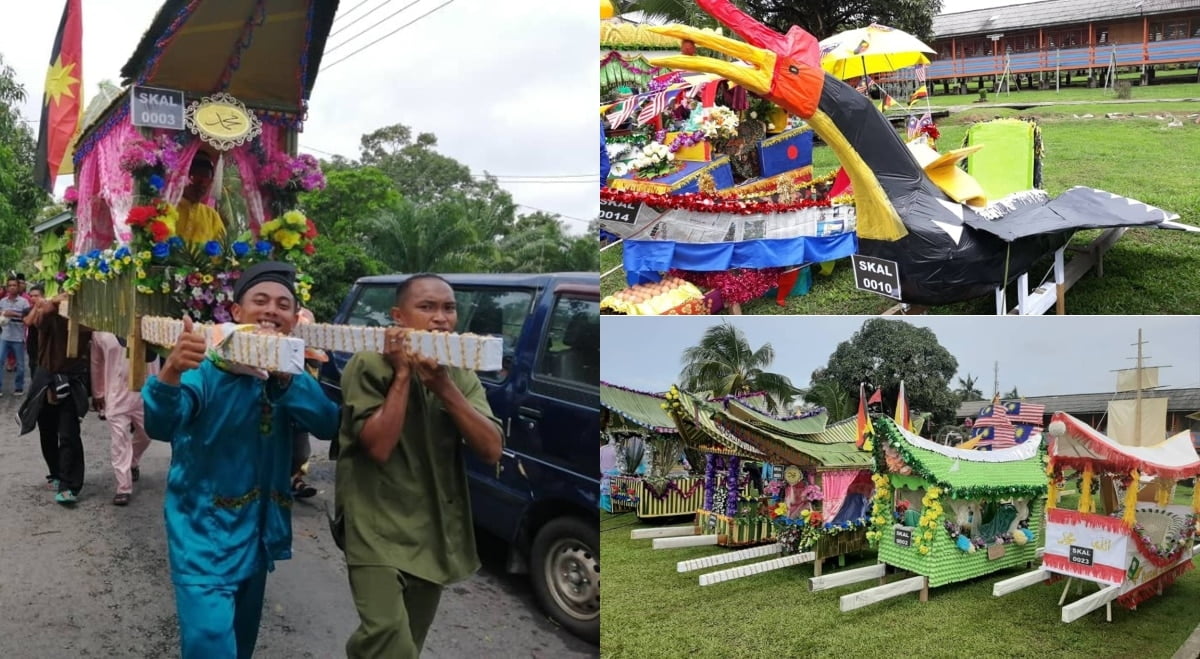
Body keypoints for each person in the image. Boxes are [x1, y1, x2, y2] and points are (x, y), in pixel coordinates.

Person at [141, 261, 338, 658]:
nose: (271, 311)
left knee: (241, 644)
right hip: (201, 533)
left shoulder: (290, 373)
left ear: (293, 320)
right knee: (212, 646)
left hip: (258, 535)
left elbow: (328, 423)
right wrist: (171, 373)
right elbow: (163, 426)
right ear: (235, 312)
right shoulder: (208, 367)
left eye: (284, 305)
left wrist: (286, 379)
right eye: (260, 301)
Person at [336, 273, 503, 658]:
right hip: (373, 524)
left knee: (407, 641)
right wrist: (403, 375)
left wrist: (444, 387)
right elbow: (378, 447)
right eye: (426, 307)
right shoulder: (368, 364)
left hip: (433, 530)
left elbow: (491, 449)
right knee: (389, 637)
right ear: (398, 316)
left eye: (449, 308)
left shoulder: (459, 371)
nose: (441, 318)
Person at [17, 292, 93, 503]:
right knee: (47, 431)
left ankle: (70, 484)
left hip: (72, 379)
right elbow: (37, 322)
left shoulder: (88, 318)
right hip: (46, 378)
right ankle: (57, 473)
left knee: (69, 434)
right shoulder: (48, 315)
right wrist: (51, 303)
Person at [91, 331, 155, 506]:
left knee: (148, 433)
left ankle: (132, 462)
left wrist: (158, 389)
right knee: (119, 441)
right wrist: (98, 392)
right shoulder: (101, 332)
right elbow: (97, 362)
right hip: (116, 393)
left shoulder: (147, 326)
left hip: (144, 393)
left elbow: (155, 362)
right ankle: (123, 487)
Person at [175, 152, 226, 245]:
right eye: (195, 178)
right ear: (183, 177)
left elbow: (223, 253)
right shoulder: (168, 208)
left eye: (207, 180)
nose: (202, 184)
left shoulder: (212, 216)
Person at [0, 276, 31, 395]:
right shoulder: (2, 301)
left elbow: (28, 317)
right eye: (10, 285)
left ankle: (19, 387)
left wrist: (14, 314)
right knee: (0, 361)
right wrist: (3, 313)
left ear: (18, 287)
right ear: (7, 288)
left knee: (20, 365)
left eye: (14, 285)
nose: (12, 287)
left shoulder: (24, 302)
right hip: (4, 337)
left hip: (18, 338)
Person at [24, 285, 44, 378]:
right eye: (31, 296)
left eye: (36, 296)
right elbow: (28, 322)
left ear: (43, 296)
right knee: (34, 370)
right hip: (32, 345)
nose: (33, 298)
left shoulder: (49, 309)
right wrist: (36, 307)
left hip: (46, 346)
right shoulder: (27, 310)